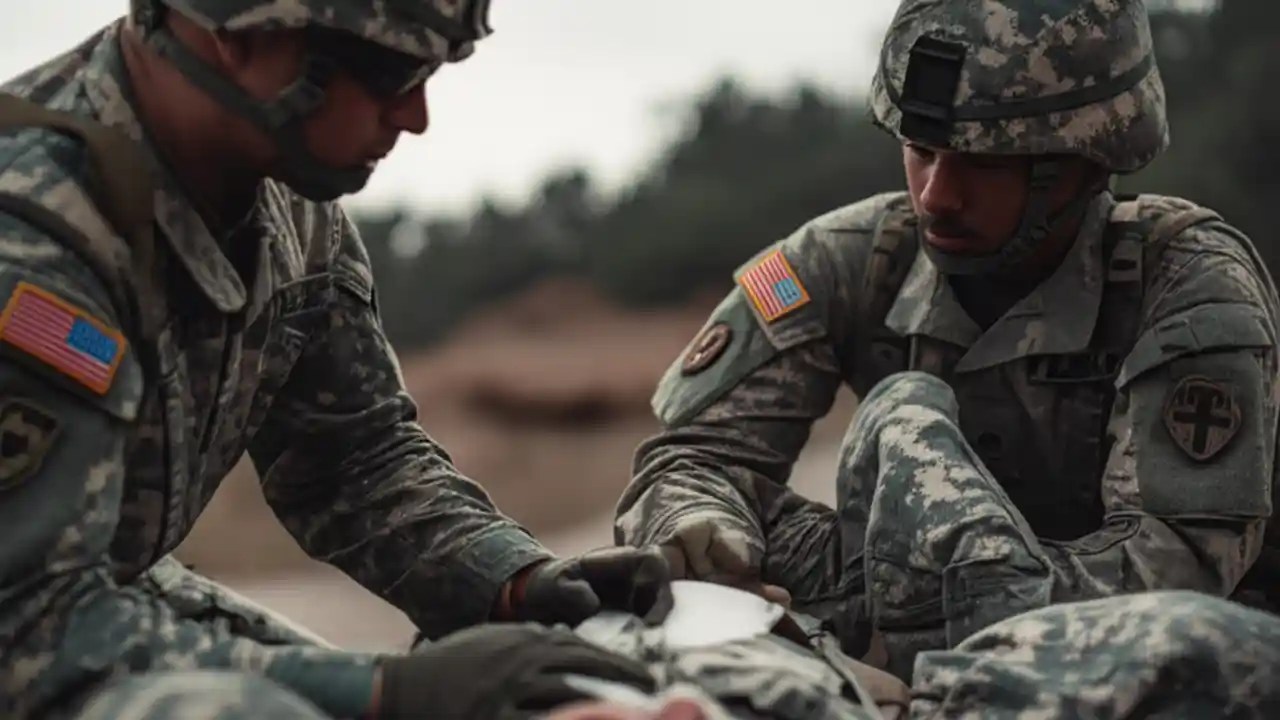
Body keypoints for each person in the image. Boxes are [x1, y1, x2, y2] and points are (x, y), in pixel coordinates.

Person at [0, 0, 673, 717]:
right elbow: (27, 625)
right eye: (390, 71)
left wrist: (514, 581)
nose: (415, 117)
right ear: (239, 35)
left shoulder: (284, 196)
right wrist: (389, 695)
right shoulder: (33, 230)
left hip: (80, 603)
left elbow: (355, 460)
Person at [615, 0, 1280, 680]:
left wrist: (945, 597)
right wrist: (707, 533)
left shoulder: (1188, 285)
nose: (936, 195)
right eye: (921, 151)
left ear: (1083, 161)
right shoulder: (844, 261)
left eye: (982, 163)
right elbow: (691, 460)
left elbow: (1179, 571)